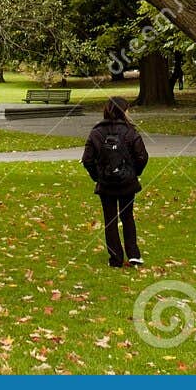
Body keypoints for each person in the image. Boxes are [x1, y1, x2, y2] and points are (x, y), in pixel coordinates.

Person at [81, 96, 150, 268]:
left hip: (106, 183)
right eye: (128, 109)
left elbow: (87, 159)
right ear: (123, 111)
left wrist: (98, 176)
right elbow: (142, 156)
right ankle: (133, 254)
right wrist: (133, 173)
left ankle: (116, 258)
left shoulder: (96, 132)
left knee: (110, 219)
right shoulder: (130, 132)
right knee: (127, 217)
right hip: (126, 183)